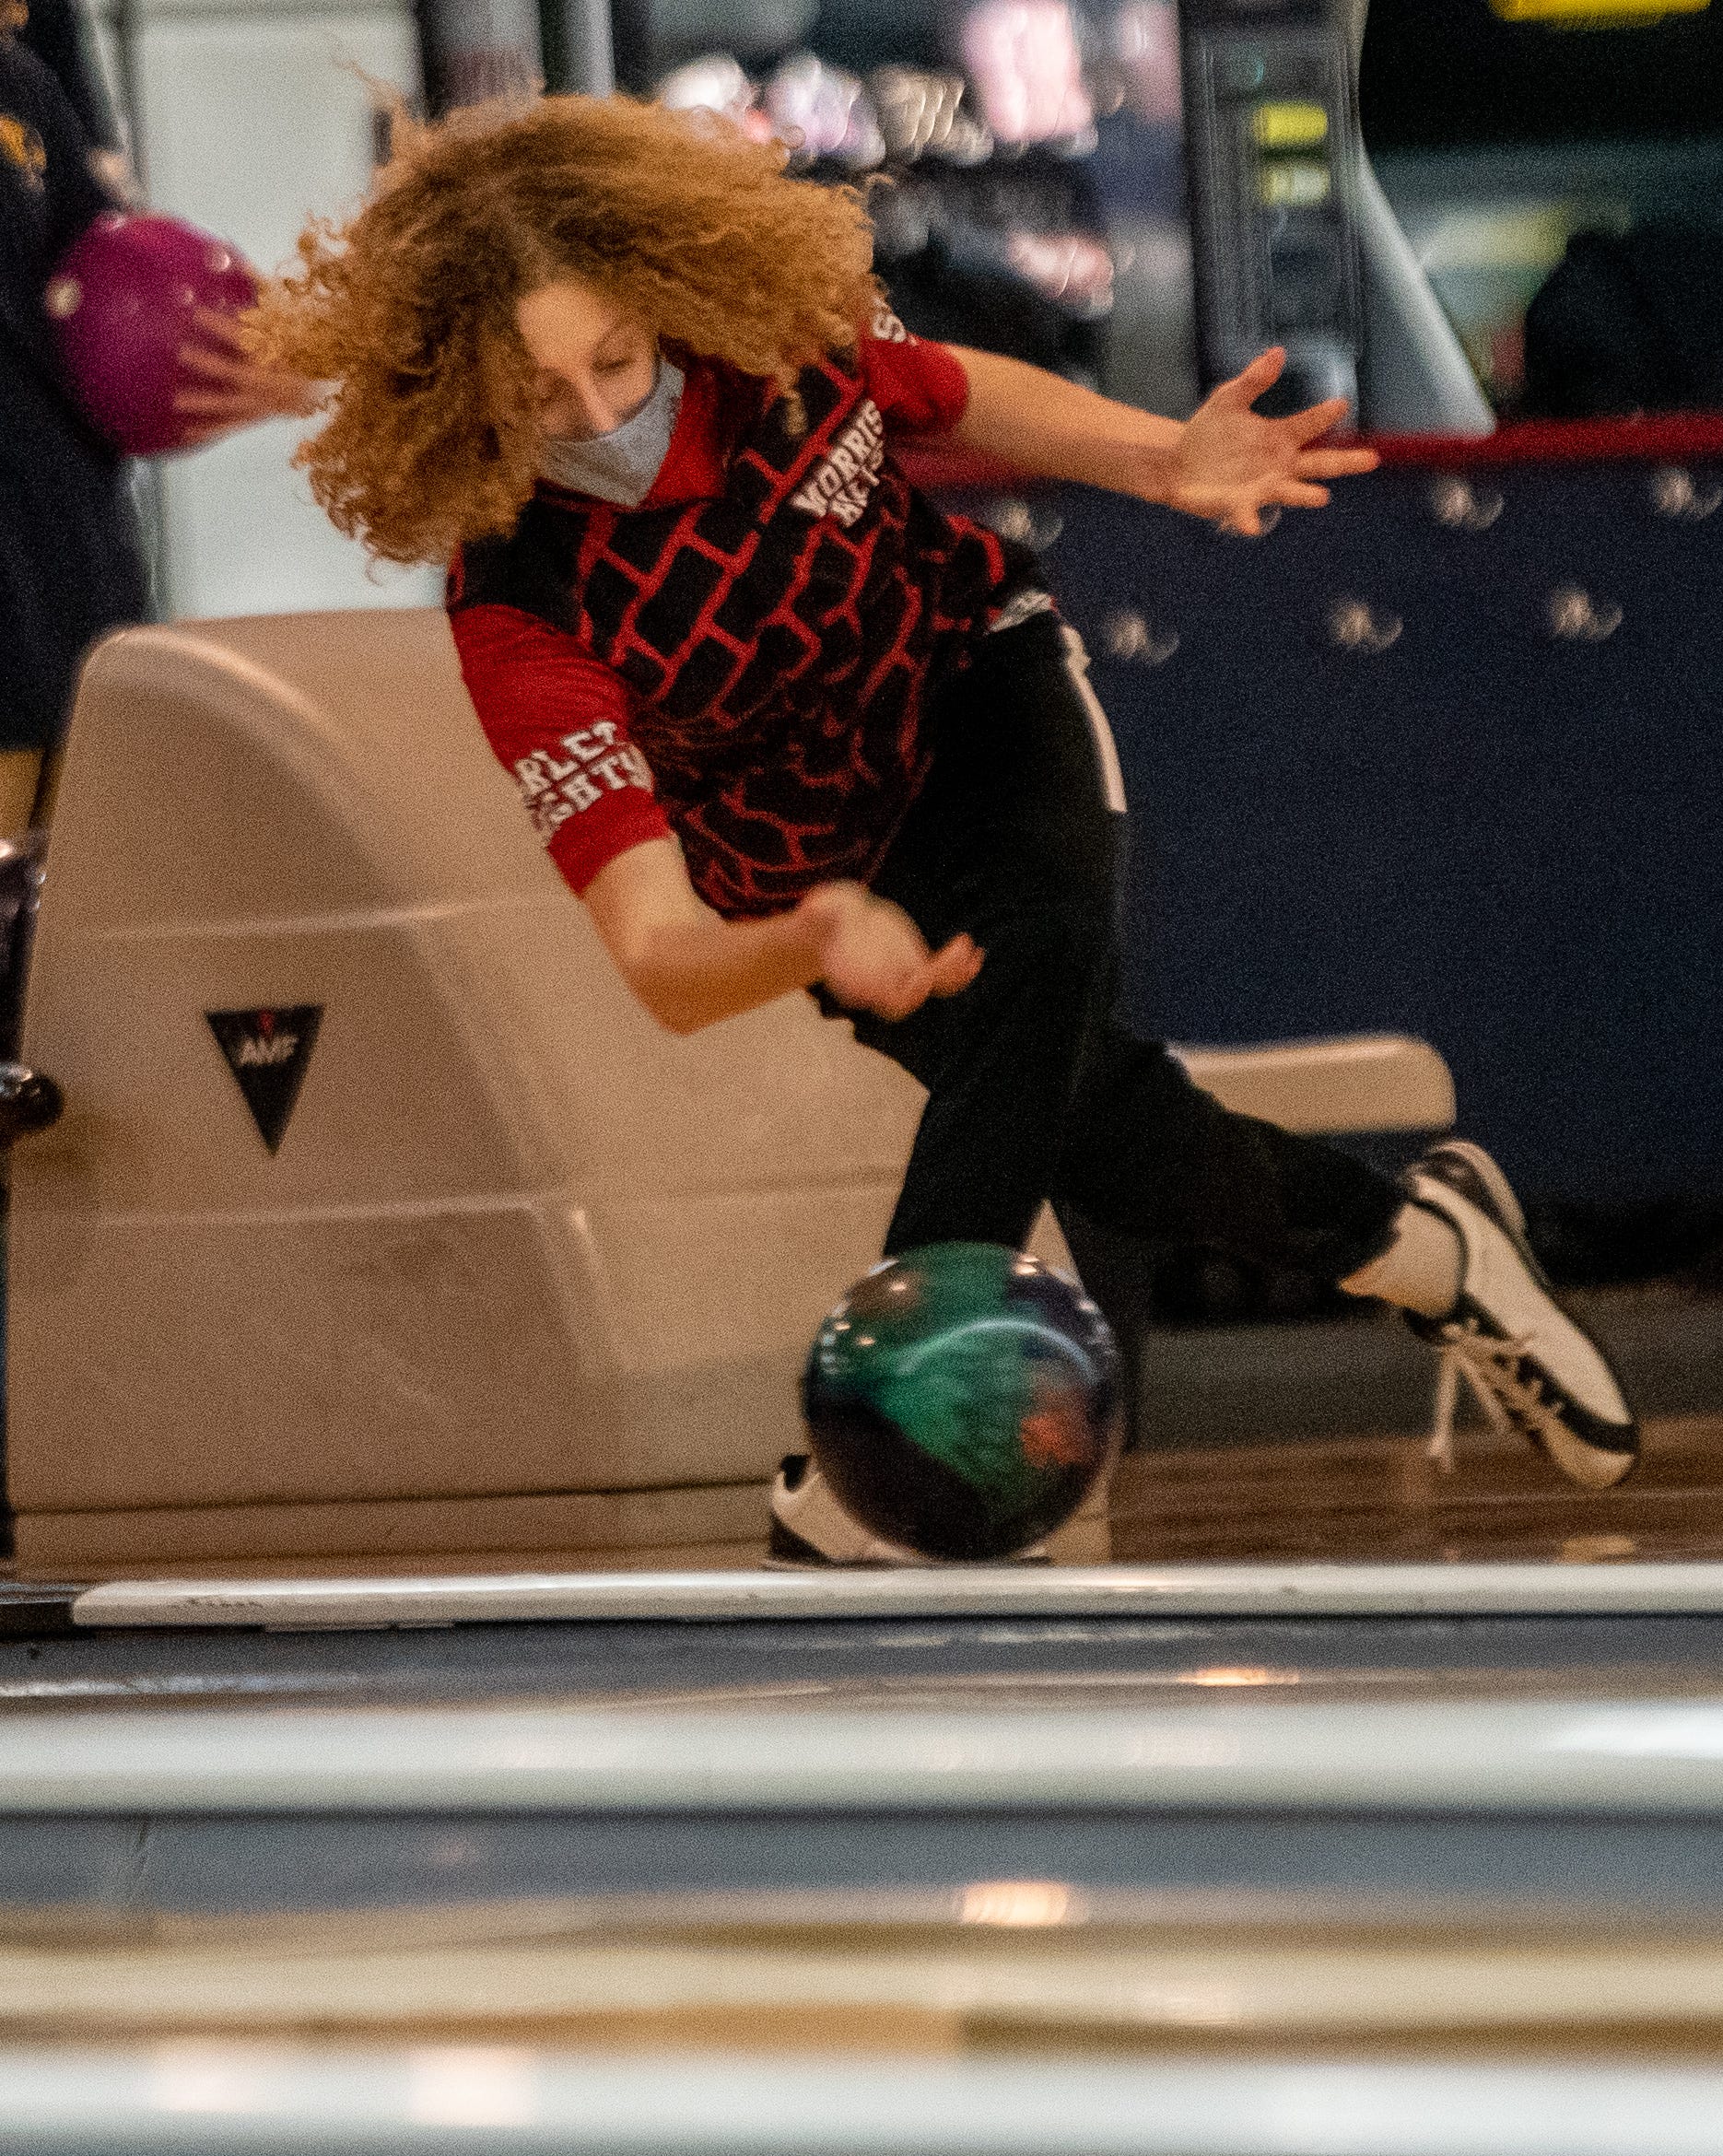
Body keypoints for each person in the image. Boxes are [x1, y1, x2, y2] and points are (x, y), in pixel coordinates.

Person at [252, 98, 1639, 1550]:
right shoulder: (519, 613)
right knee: (1089, 1124)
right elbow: (660, 956)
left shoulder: (762, 347)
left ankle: (884, 1458)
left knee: (1036, 961)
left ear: (656, 304)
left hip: (976, 683)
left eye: (614, 360)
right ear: (456, 396)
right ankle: (1421, 1247)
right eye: (540, 396)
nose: (602, 416)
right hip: (810, 864)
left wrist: (1160, 458)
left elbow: (947, 392)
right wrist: (807, 934)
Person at [2, 0, 302, 844]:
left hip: (72, 583)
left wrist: (261, 353)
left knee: (88, 909)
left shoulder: (24, 82)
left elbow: (116, 287)